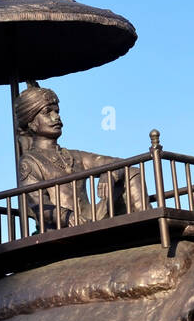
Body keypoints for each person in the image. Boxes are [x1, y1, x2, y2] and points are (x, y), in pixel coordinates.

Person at [13, 82, 145, 229]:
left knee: (131, 172)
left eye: (57, 111)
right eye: (47, 112)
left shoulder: (74, 155)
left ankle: (148, 221)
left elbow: (119, 162)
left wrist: (110, 175)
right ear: (31, 123)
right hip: (62, 225)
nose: (55, 117)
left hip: (92, 217)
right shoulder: (30, 162)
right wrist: (67, 216)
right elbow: (39, 203)